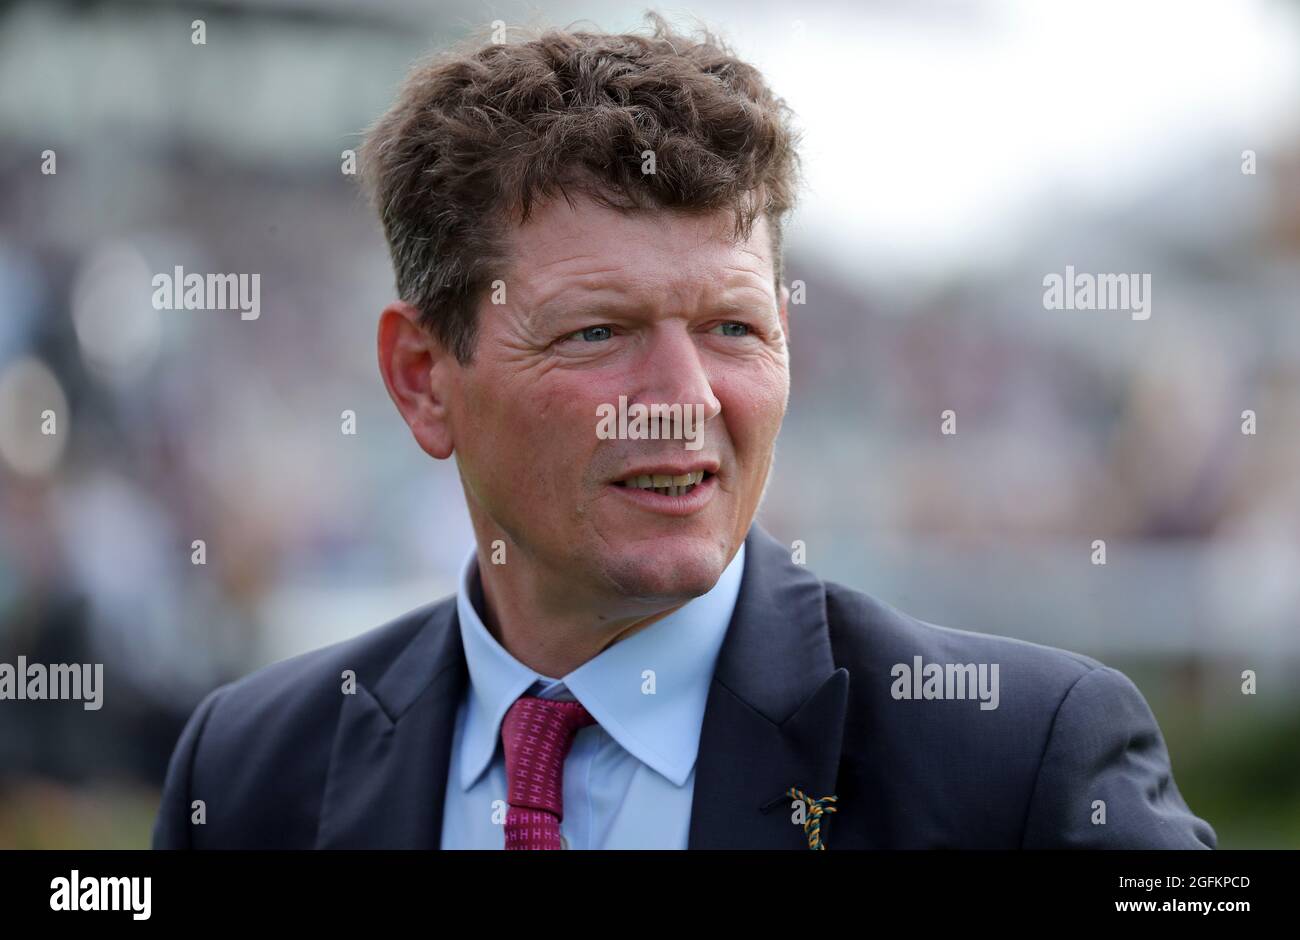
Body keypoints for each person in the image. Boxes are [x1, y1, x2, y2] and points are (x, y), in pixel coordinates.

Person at [152, 14, 1214, 850]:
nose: (682, 396)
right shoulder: (248, 773)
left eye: (732, 327)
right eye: (598, 330)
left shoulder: (1019, 760)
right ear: (423, 378)